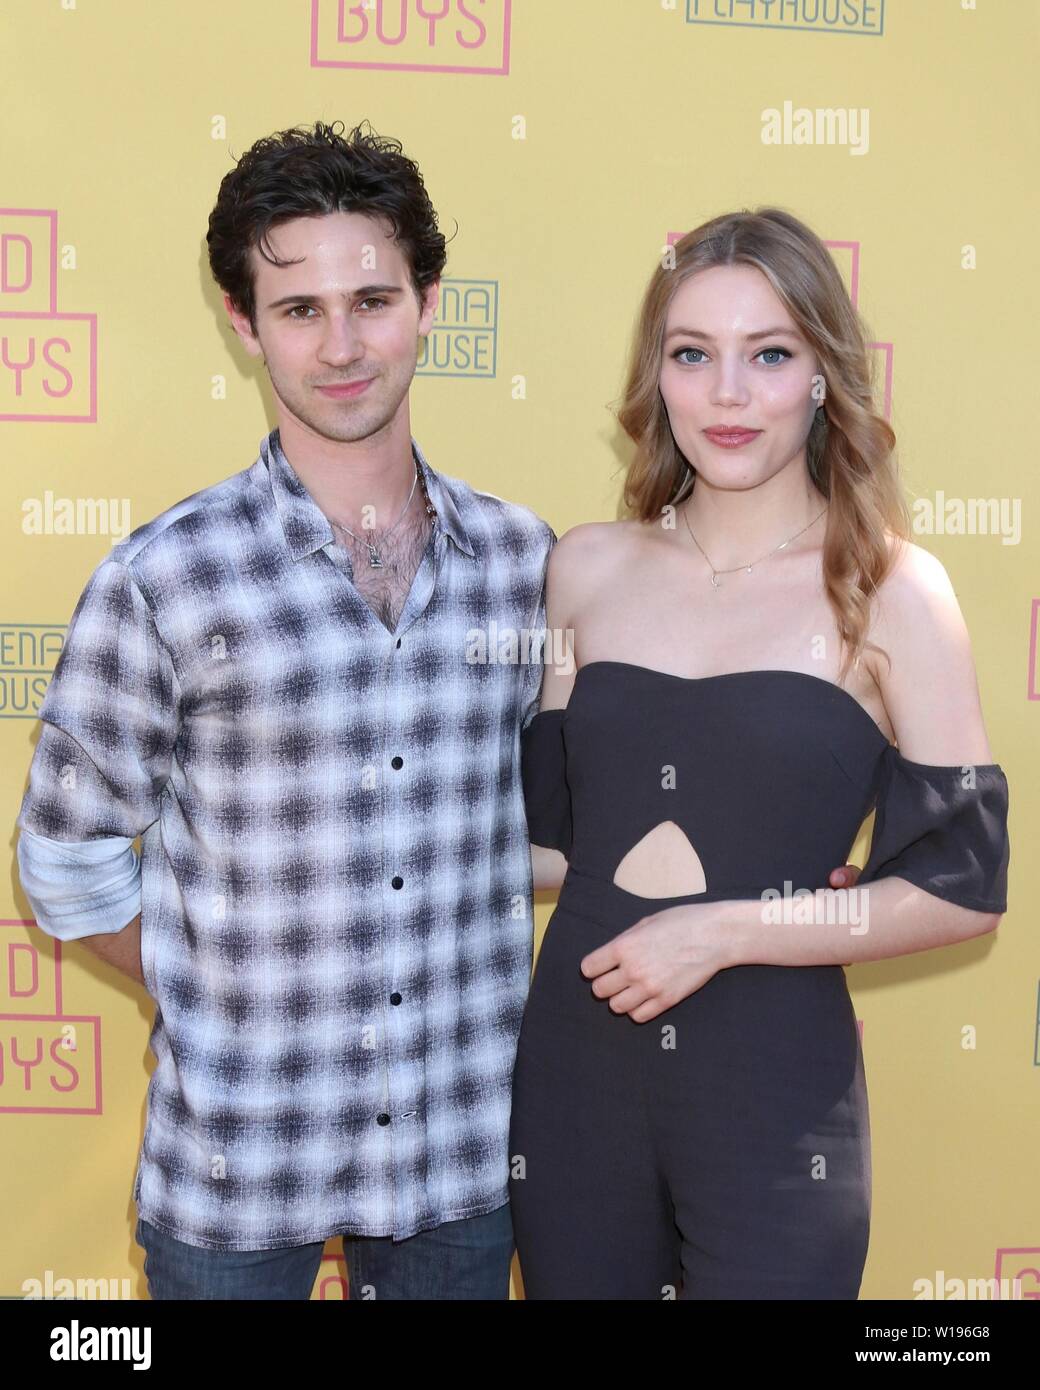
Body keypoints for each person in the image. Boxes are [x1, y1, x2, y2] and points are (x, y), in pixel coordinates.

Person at [15, 119, 554, 1300]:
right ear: (243, 321)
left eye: (372, 298)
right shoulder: (165, 577)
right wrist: (226, 987)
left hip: (461, 1160)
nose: (343, 344)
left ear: (427, 304)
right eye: (299, 308)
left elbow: (554, 827)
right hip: (235, 1169)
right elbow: (64, 862)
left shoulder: (526, 564)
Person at [510, 207, 1010, 1300]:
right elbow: (548, 848)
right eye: (692, 355)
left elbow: (962, 890)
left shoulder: (892, 590)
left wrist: (725, 930)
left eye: (768, 354)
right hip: (572, 1079)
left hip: (775, 1095)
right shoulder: (582, 569)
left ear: (823, 375)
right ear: (659, 378)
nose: (726, 395)